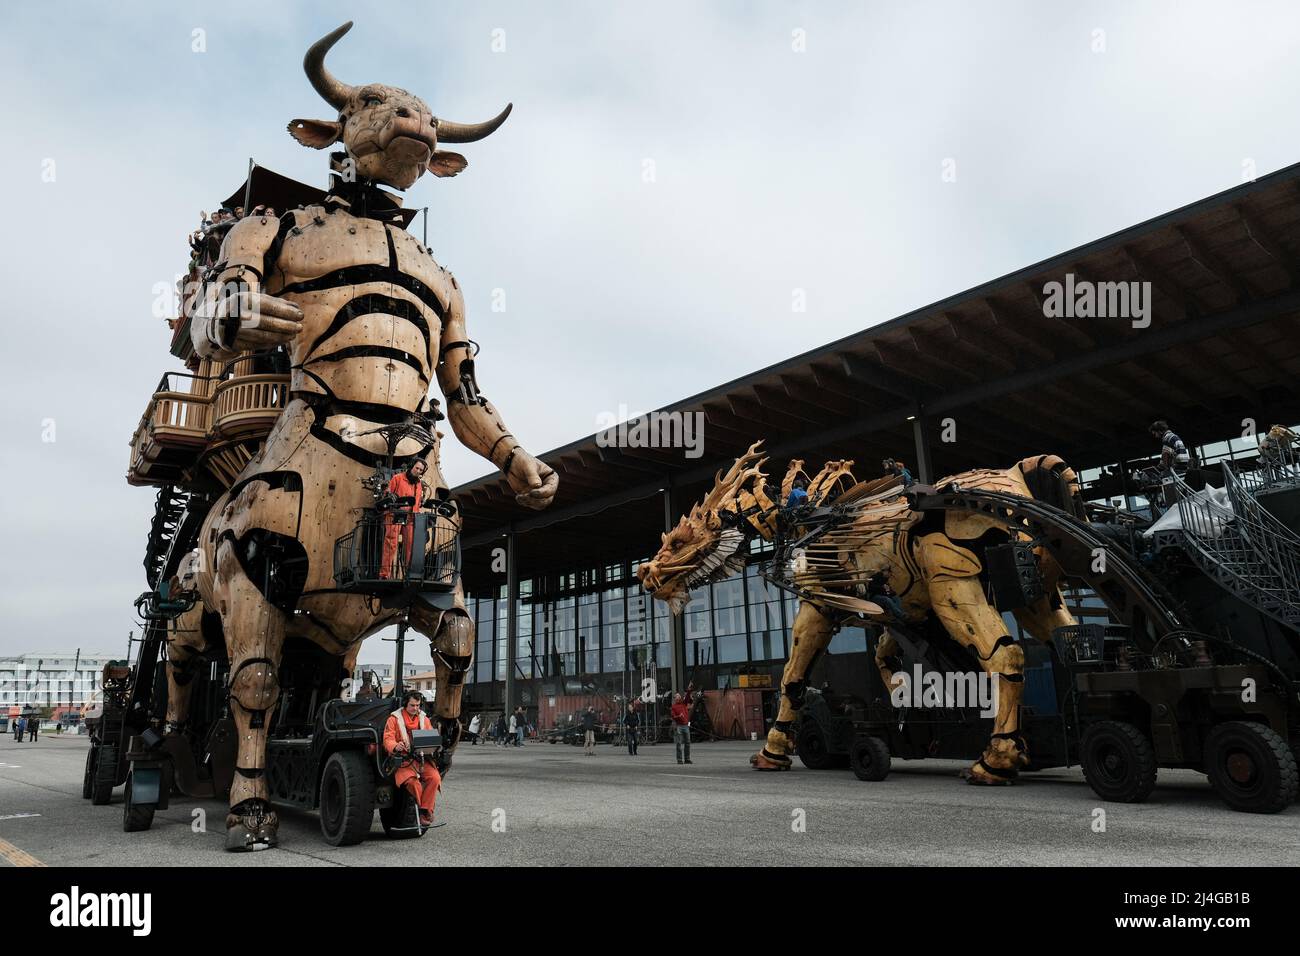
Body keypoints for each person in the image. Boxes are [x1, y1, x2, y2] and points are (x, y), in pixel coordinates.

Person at [382, 691, 442, 827]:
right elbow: (387, 738)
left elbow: (430, 736)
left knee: (435, 778)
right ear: (405, 705)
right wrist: (396, 746)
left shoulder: (424, 719)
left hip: (421, 758)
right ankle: (424, 810)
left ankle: (425, 810)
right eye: (412, 705)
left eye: (418, 705)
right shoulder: (394, 719)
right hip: (403, 760)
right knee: (412, 783)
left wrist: (434, 746)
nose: (415, 708)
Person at [380, 459, 428, 579]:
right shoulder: (397, 478)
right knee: (391, 544)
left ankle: (409, 574)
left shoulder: (418, 484)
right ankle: (385, 574)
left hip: (411, 518)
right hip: (394, 515)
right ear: (411, 466)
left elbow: (417, 503)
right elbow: (388, 495)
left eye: (421, 470)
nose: (418, 471)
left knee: (411, 546)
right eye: (417, 468)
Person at [670, 684, 695, 764]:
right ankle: (680, 759)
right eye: (677, 696)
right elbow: (673, 716)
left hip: (686, 725)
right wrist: (678, 716)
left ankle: (687, 758)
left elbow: (687, 697)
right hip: (679, 726)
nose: (679, 696)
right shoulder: (673, 707)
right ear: (675, 698)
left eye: (679, 695)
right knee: (679, 743)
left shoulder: (683, 703)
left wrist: (689, 690)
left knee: (688, 742)